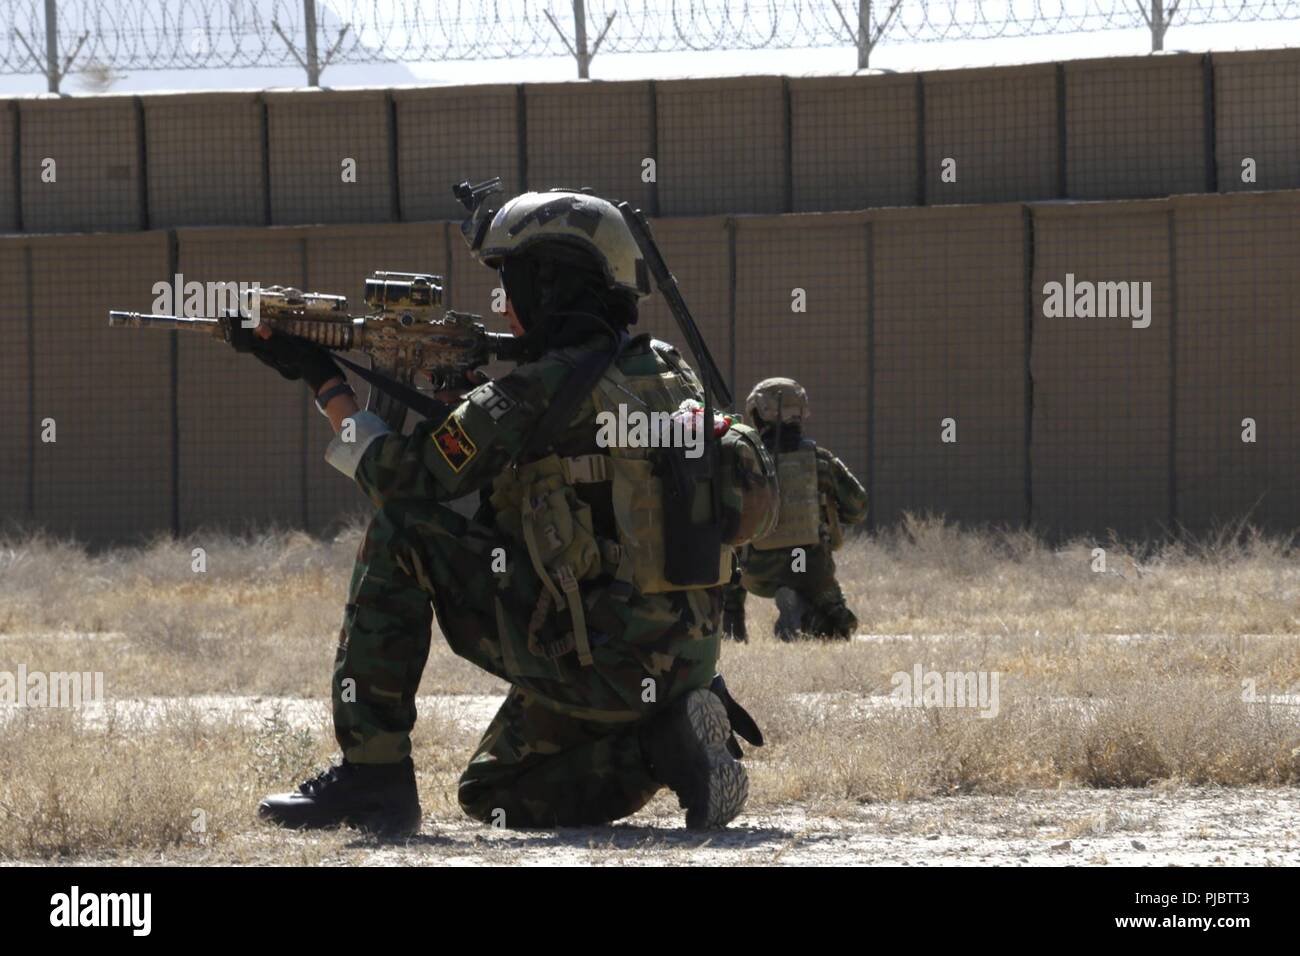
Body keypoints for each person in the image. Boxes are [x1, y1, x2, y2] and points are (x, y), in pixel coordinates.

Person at [225, 187, 757, 835]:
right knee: (496, 793)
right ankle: (668, 744)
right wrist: (464, 392)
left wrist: (322, 379)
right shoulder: (666, 372)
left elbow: (405, 482)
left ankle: (373, 778)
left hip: (597, 660)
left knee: (403, 530)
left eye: (515, 284)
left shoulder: (541, 387)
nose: (505, 307)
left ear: (551, 283)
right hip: (682, 662)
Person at [722, 378, 867, 642]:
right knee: (836, 628)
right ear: (800, 414)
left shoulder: (742, 461)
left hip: (755, 572)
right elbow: (858, 509)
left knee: (730, 548)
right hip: (810, 569)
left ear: (757, 413)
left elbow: (724, 518)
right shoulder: (820, 459)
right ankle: (805, 611)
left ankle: (732, 625)